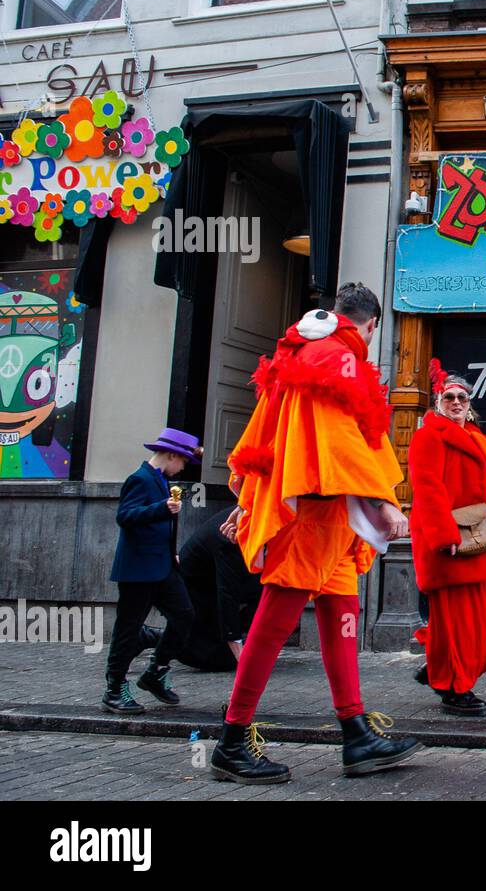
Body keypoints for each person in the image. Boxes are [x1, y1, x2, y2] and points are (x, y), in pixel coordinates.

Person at [212, 282, 421, 785]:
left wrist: (249, 499)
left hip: (326, 512)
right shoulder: (338, 356)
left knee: (341, 613)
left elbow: (269, 434)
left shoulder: (305, 351)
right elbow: (337, 437)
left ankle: (356, 733)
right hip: (316, 510)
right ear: (371, 325)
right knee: (275, 620)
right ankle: (231, 741)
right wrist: (382, 499)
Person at [409, 363, 486, 716]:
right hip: (455, 542)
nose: (456, 402)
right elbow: (427, 487)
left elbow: (483, 471)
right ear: (438, 402)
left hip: (481, 538)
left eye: (462, 397)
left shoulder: (475, 437)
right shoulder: (429, 436)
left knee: (484, 613)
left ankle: (439, 664)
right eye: (449, 397)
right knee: (460, 621)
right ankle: (454, 686)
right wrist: (444, 536)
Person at [102, 428, 200, 714]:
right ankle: (114, 689)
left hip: (163, 566)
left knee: (185, 615)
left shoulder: (161, 479)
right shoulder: (140, 479)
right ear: (171, 455)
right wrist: (162, 508)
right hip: (138, 569)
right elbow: (125, 516)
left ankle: (156, 671)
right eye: (183, 461)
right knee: (128, 628)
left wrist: (171, 551)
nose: (182, 467)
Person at [174, 510, 262, 672]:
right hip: (198, 587)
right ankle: (156, 637)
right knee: (220, 659)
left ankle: (227, 637)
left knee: (274, 593)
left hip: (229, 580)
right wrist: (239, 653)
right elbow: (227, 593)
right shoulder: (231, 536)